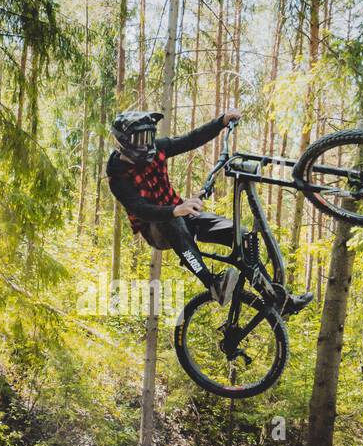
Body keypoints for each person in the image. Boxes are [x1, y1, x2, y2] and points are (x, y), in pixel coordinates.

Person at [106, 109, 314, 313]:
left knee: (240, 236)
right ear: (124, 142)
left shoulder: (158, 148)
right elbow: (140, 209)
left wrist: (220, 122)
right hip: (156, 229)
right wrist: (176, 210)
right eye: (140, 138)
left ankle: (278, 299)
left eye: (149, 136)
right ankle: (213, 284)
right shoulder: (118, 176)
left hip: (180, 212)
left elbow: (190, 139)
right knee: (171, 221)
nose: (147, 143)